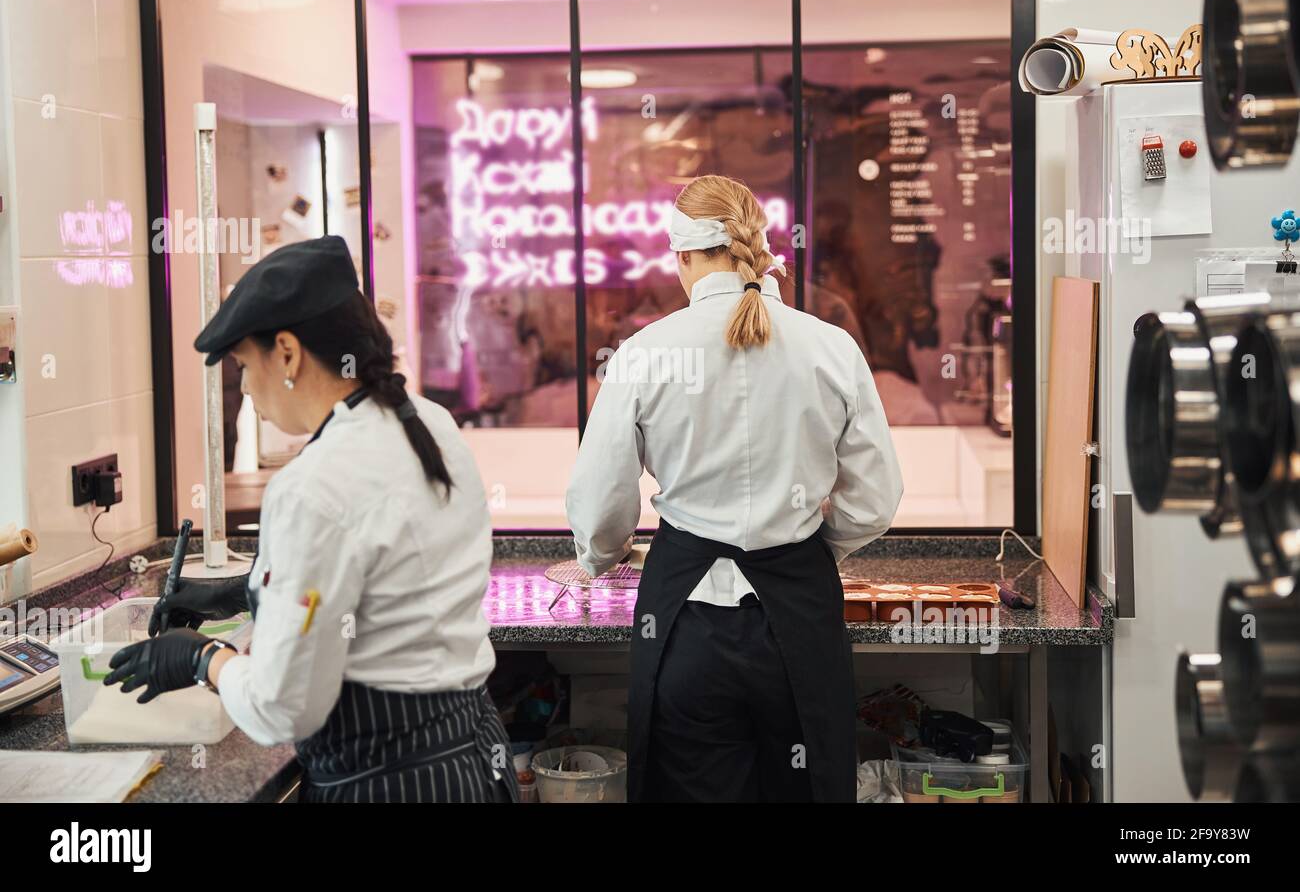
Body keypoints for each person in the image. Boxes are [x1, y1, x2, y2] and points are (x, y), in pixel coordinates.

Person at [105, 235, 515, 803]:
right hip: (472, 760)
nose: (245, 387)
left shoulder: (312, 486)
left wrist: (203, 658)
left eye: (246, 364)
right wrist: (247, 593)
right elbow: (387, 591)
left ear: (289, 353)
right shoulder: (431, 424)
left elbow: (280, 709)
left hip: (388, 784)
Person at [566, 175, 903, 802]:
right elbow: (876, 499)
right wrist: (808, 554)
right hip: (797, 625)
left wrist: (599, 559)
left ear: (684, 257)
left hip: (686, 628)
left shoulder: (644, 353)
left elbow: (600, 504)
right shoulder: (831, 347)